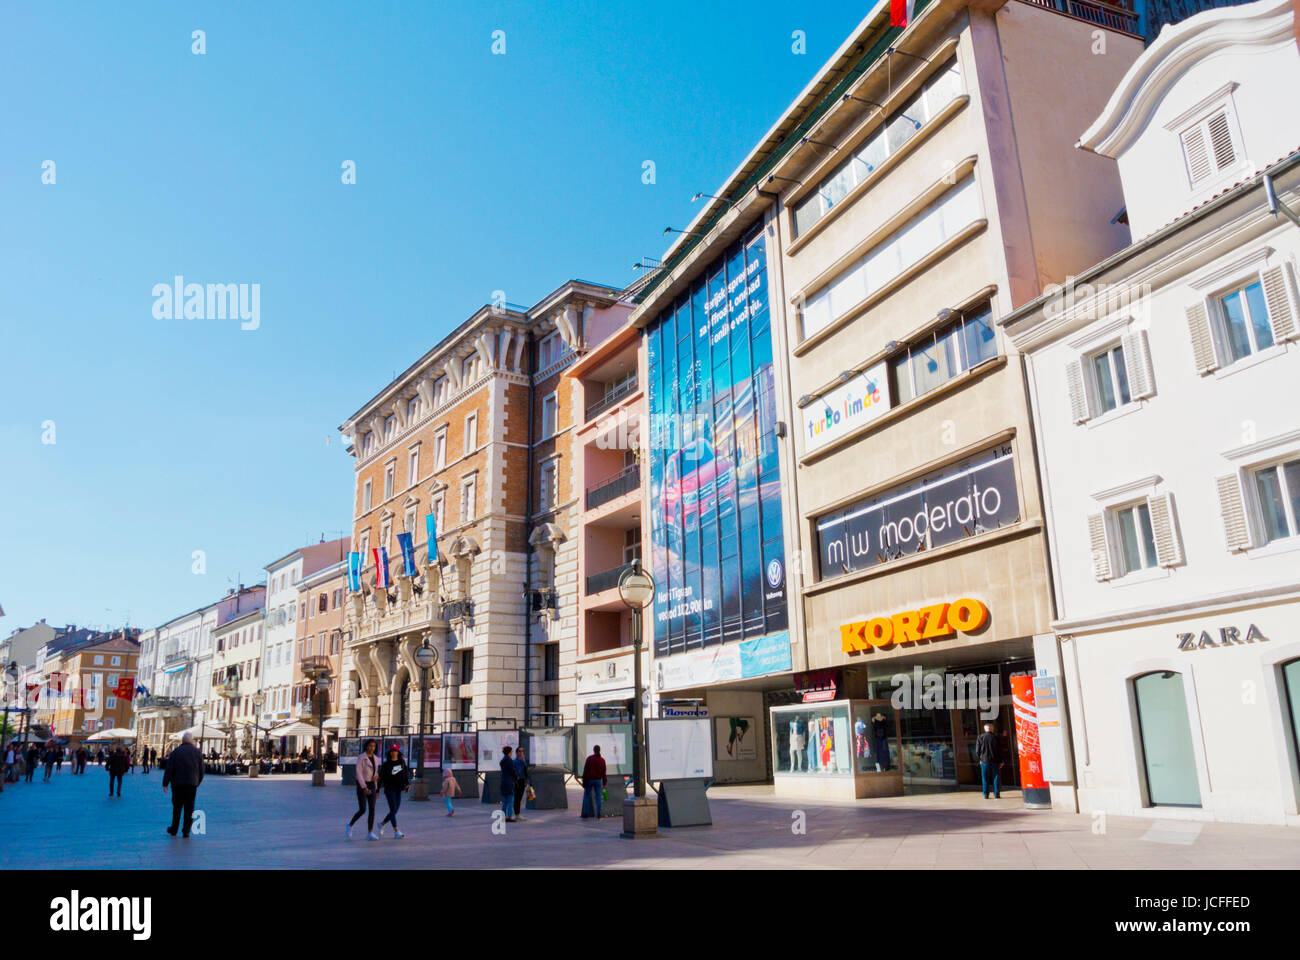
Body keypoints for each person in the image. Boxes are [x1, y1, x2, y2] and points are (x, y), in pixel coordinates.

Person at [162, 731, 204, 837]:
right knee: (189, 808)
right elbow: (202, 769)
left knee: (177, 807)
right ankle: (186, 830)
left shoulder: (176, 752)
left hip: (177, 784)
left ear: (182, 740)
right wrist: (198, 781)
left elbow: (169, 768)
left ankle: (174, 829)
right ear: (191, 741)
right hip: (191, 784)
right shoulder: (197, 752)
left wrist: (165, 782)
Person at [348, 738, 380, 840]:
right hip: (363, 785)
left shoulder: (375, 758)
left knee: (372, 809)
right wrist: (364, 787)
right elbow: (359, 773)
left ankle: (370, 832)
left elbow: (375, 772)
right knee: (362, 809)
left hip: (372, 785)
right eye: (370, 746)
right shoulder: (362, 757)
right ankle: (350, 825)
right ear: (366, 746)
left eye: (374, 746)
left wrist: (377, 784)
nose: (372, 748)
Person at [377, 743, 411, 838]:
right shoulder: (386, 764)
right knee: (393, 809)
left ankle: (382, 824)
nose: (393, 752)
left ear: (398, 752)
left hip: (398, 789)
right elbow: (381, 778)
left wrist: (407, 784)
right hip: (389, 789)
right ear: (390, 752)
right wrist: (377, 791)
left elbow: (406, 774)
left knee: (395, 810)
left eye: (395, 751)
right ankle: (396, 831)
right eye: (392, 751)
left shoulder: (402, 762)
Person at [975, 721, 1002, 800]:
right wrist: (1001, 761)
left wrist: (980, 759)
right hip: (995, 760)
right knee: (996, 777)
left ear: (985, 729)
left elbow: (977, 750)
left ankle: (986, 794)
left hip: (984, 761)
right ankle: (996, 794)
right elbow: (1000, 750)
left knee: (985, 778)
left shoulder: (980, 737)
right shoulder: (996, 737)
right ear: (992, 729)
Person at [580, 744, 607, 819]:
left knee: (587, 796)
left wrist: (583, 780)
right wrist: (604, 783)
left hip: (589, 780)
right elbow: (604, 773)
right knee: (598, 797)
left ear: (594, 750)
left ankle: (585, 813)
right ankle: (598, 814)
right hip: (598, 780)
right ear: (599, 750)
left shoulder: (589, 758)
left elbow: (585, 770)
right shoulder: (602, 760)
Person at [499, 745, 517, 823]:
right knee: (510, 800)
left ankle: (503, 816)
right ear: (509, 752)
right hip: (509, 782)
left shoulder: (502, 761)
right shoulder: (510, 761)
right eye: (511, 752)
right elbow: (512, 772)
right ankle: (509, 816)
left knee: (505, 801)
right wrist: (516, 777)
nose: (512, 753)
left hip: (503, 782)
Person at [512, 746, 530, 822]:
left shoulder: (523, 760)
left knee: (519, 798)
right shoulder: (515, 761)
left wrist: (526, 781)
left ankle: (517, 814)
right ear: (516, 753)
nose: (521, 752)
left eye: (522, 751)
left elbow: (525, 771)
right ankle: (516, 814)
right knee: (516, 798)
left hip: (523, 781)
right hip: (517, 781)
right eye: (519, 751)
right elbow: (517, 771)